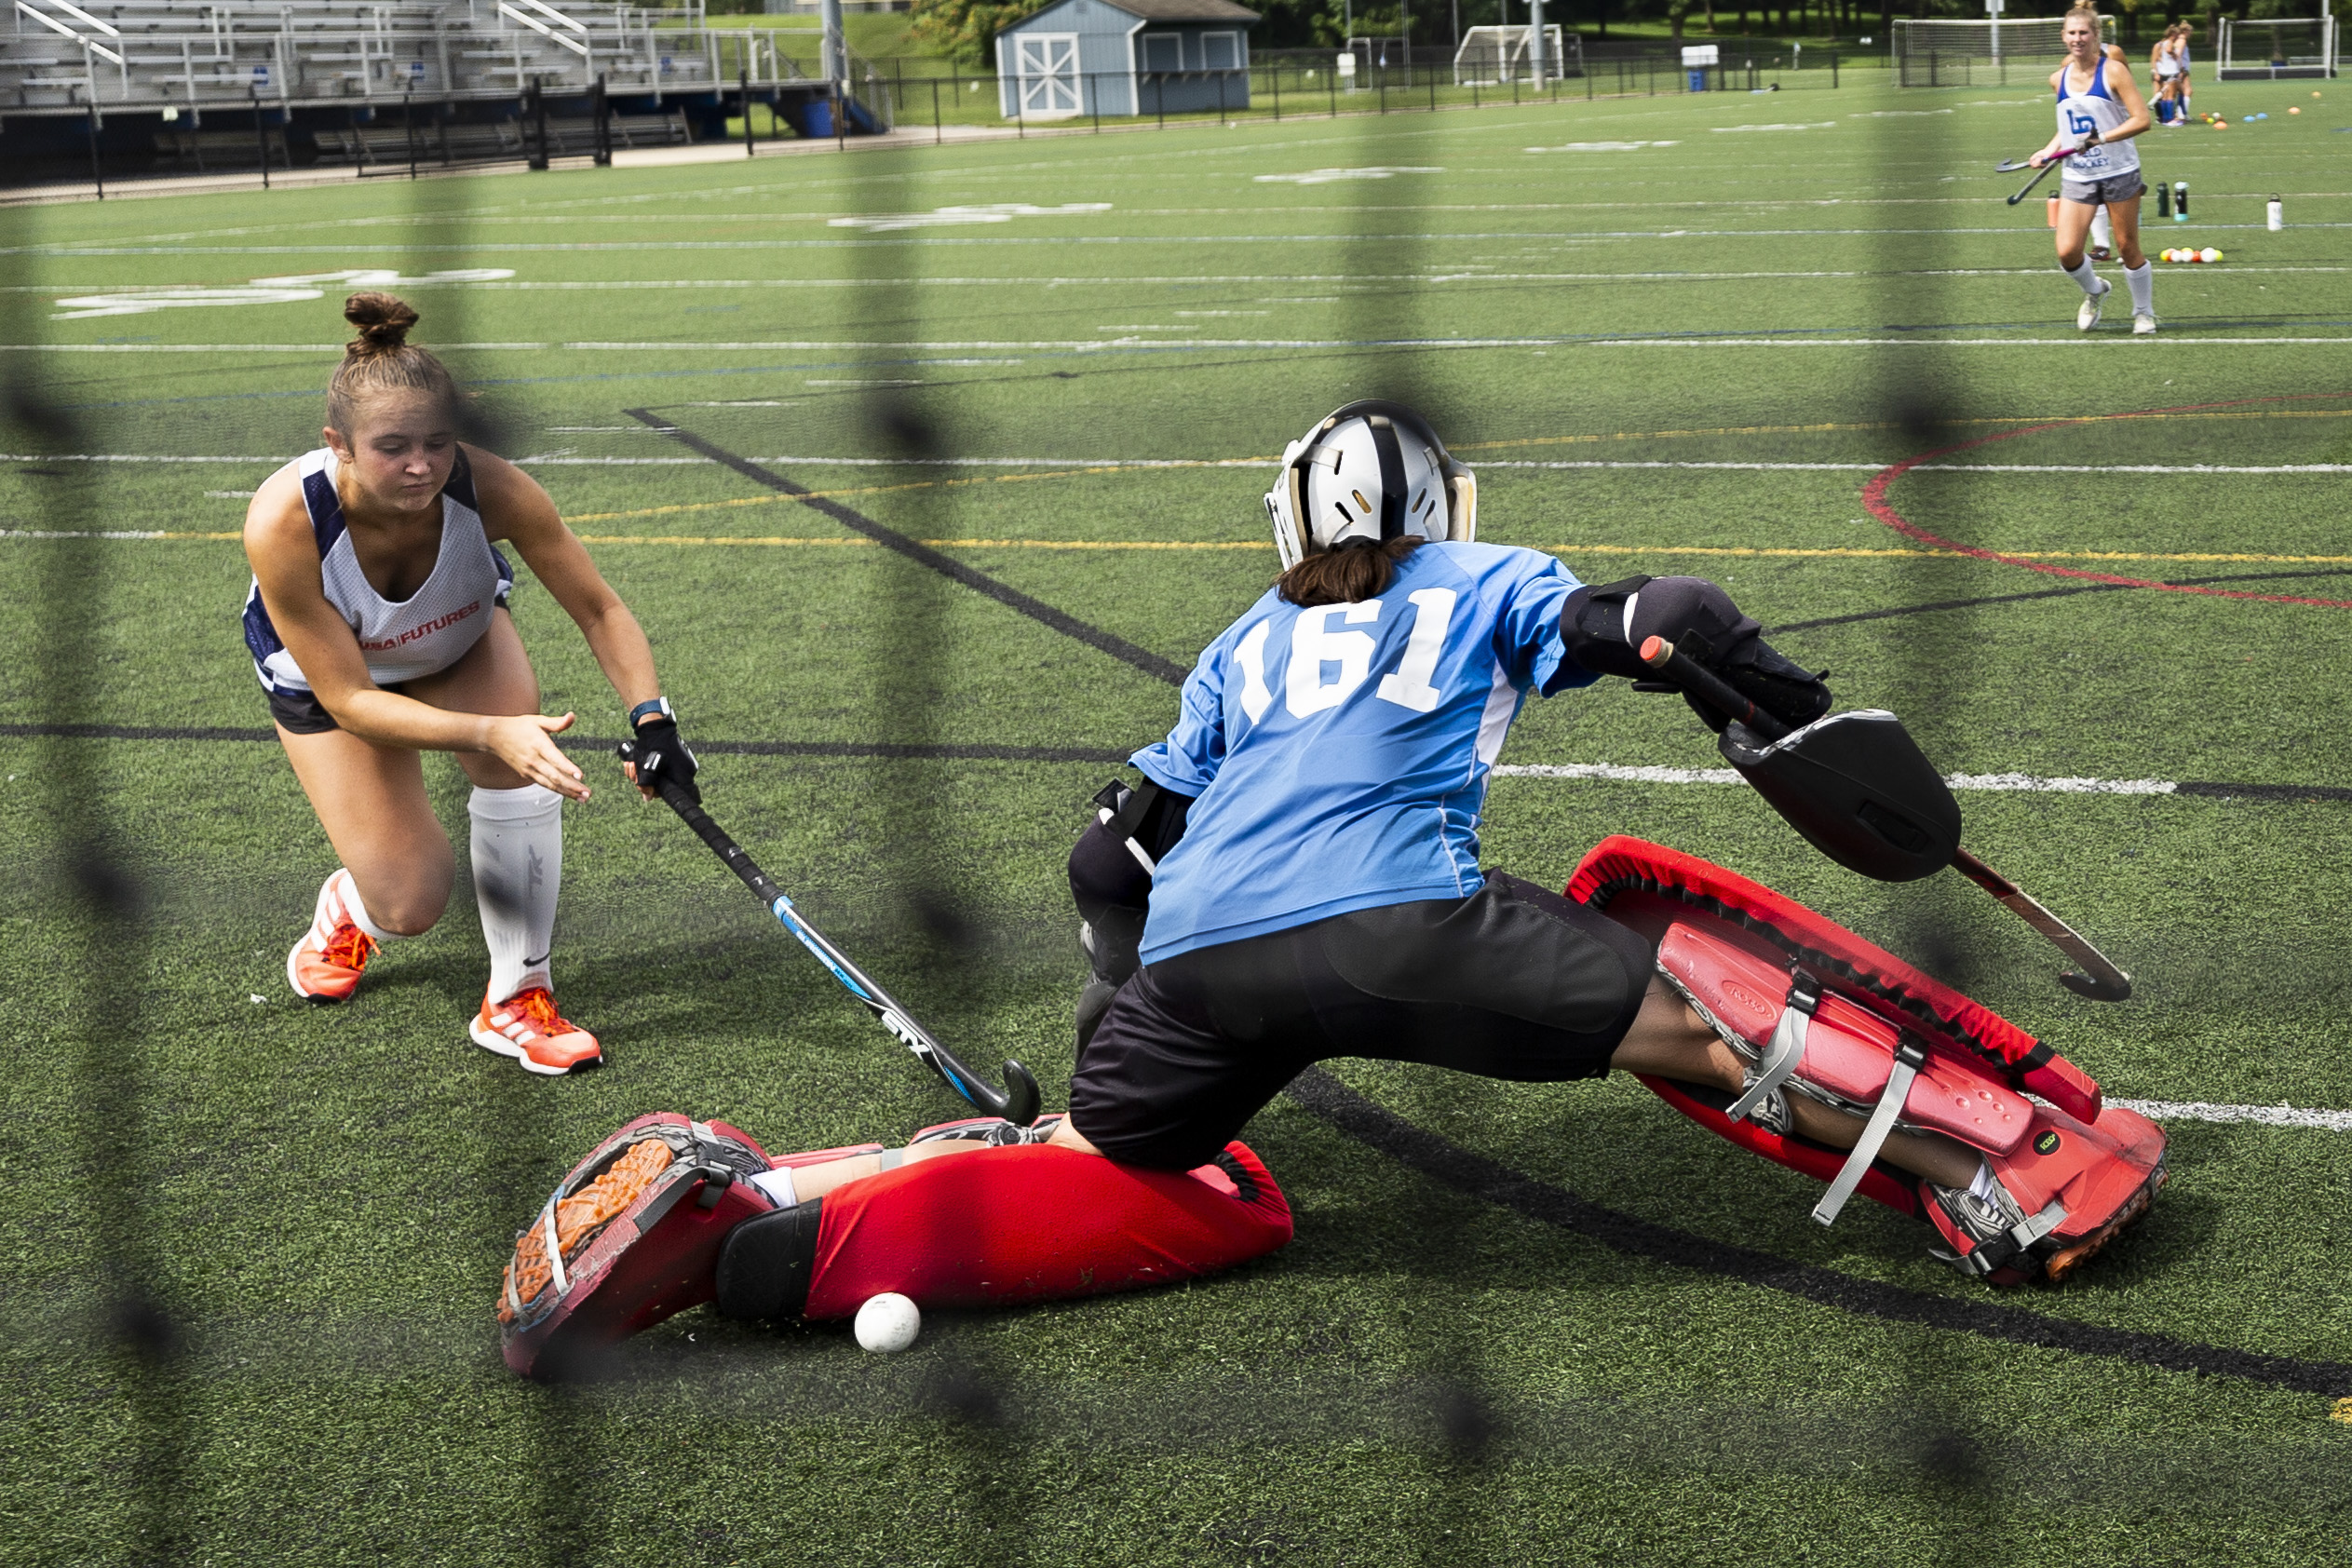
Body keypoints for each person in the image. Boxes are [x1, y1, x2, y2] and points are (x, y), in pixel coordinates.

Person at [497, 403, 2166, 1377]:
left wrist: (1123, 1016)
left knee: (1121, 1160)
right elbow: (1666, 608)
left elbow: (1107, 853)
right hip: (1410, 927)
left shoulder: (1242, 639)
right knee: (1700, 1031)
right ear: (1430, 505)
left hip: (1198, 972)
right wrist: (1773, 701)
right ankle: (1980, 1181)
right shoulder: (1473, 578)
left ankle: (777, 1219)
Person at [243, 292, 700, 1074]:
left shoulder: (493, 488)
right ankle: (350, 908)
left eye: (438, 442)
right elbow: (354, 701)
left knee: (523, 776)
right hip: (340, 686)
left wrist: (654, 721)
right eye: (392, 447)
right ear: (338, 444)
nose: (420, 465)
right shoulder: (284, 521)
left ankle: (517, 1000)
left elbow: (599, 607)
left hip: (458, 640)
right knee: (411, 903)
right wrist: (493, 729)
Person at [2032, 6, 2156, 333]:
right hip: (2079, 174)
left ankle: (2144, 312)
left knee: (2127, 246)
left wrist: (2101, 138)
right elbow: (2069, 124)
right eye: (2071, 33)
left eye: (2084, 32)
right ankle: (2094, 290)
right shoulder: (2057, 78)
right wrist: (2048, 150)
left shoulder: (2113, 70)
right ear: (2063, 37)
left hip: (2119, 170)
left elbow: (2142, 120)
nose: (2078, 39)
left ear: (2096, 35)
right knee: (2068, 251)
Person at [2150, 24, 2185, 126]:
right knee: (2170, 96)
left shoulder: (2164, 43)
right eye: (2177, 35)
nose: (2178, 37)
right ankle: (2170, 119)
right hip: (2171, 72)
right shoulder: (2169, 42)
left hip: (2165, 72)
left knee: (2165, 96)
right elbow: (2169, 51)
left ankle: (2165, 119)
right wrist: (2174, 54)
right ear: (2172, 34)